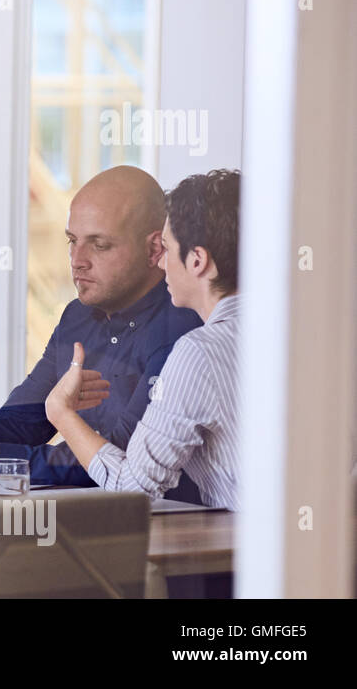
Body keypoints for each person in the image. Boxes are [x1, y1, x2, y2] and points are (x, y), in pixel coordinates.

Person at [0, 166, 204, 495]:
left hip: (170, 525)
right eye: (73, 241)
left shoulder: (183, 327)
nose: (77, 260)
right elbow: (24, 418)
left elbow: (118, 459)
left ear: (154, 250)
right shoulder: (76, 316)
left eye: (100, 245)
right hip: (90, 519)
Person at [46, 170, 241, 509]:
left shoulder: (199, 353)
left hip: (251, 557)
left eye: (165, 249)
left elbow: (134, 490)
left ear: (197, 261)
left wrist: (61, 413)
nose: (160, 263)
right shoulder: (320, 336)